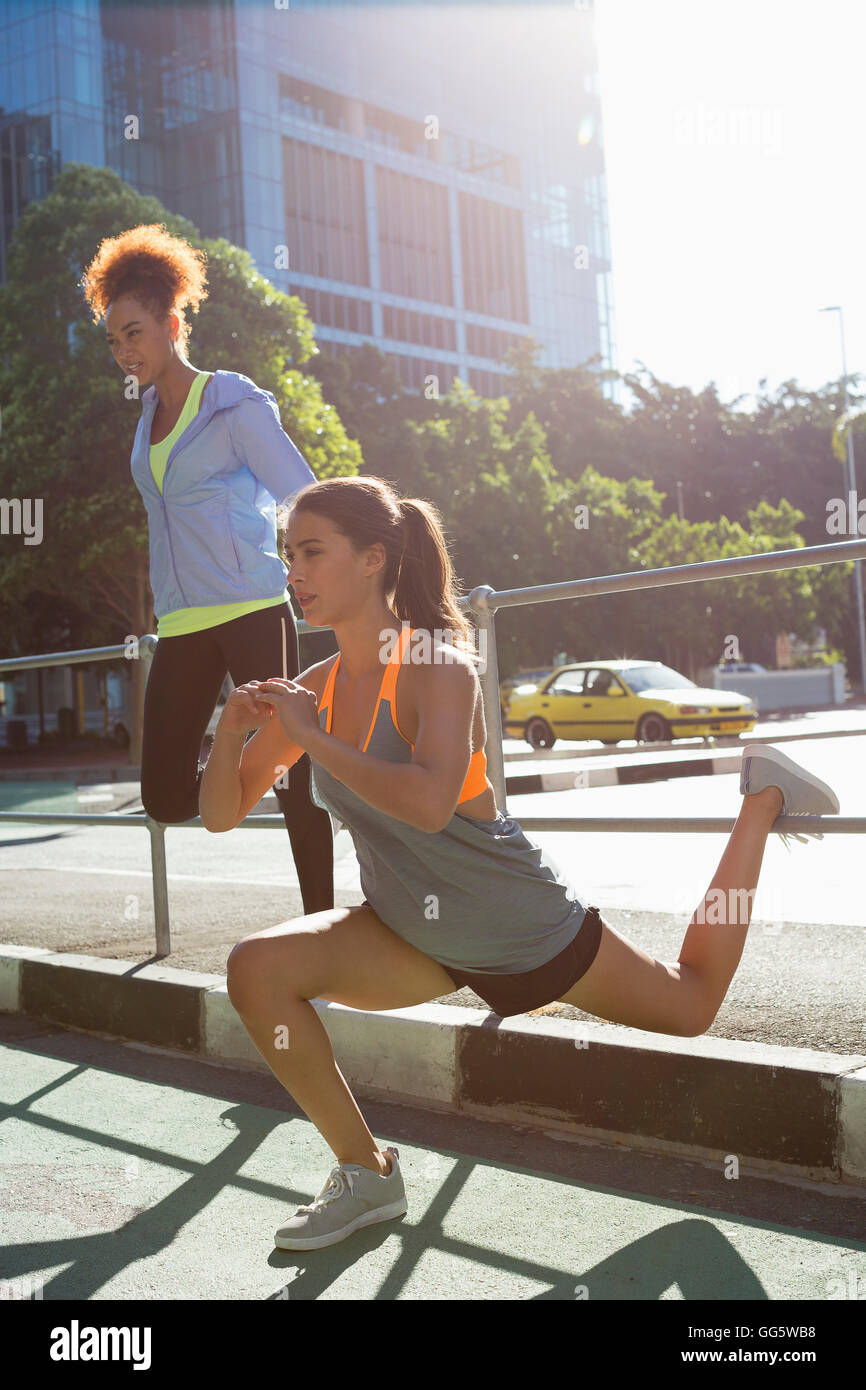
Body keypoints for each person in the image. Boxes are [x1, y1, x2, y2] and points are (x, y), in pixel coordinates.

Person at [199, 474, 841, 1252]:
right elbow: (221, 813)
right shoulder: (316, 688)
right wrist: (233, 730)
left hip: (518, 927)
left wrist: (314, 736)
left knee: (691, 1004)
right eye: (286, 554)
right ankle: (366, 1174)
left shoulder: (437, 661)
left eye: (310, 552)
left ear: (373, 559)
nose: (292, 572)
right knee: (255, 969)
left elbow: (432, 801)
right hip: (410, 936)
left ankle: (761, 801)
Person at [79, 223, 333, 913]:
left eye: (133, 332)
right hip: (184, 622)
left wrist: (322, 576)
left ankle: (322, 931)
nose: (123, 351)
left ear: (170, 323)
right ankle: (237, 755)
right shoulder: (145, 421)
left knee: (296, 789)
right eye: (113, 341)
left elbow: (302, 498)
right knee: (163, 795)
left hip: (253, 608)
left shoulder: (231, 403)